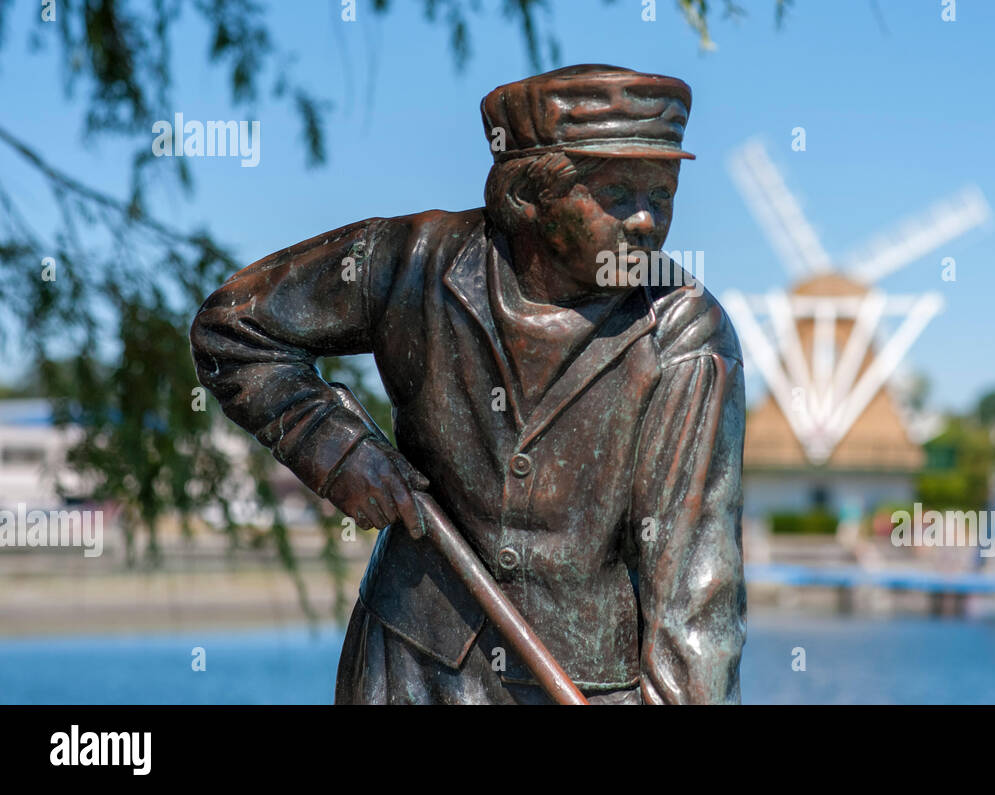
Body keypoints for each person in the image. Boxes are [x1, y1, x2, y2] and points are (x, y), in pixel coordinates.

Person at [190, 64, 747, 704]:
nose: (647, 221)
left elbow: (697, 593)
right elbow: (233, 330)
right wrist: (337, 450)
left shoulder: (684, 337)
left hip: (587, 688)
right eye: (619, 195)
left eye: (664, 195)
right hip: (409, 667)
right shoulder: (410, 263)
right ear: (525, 197)